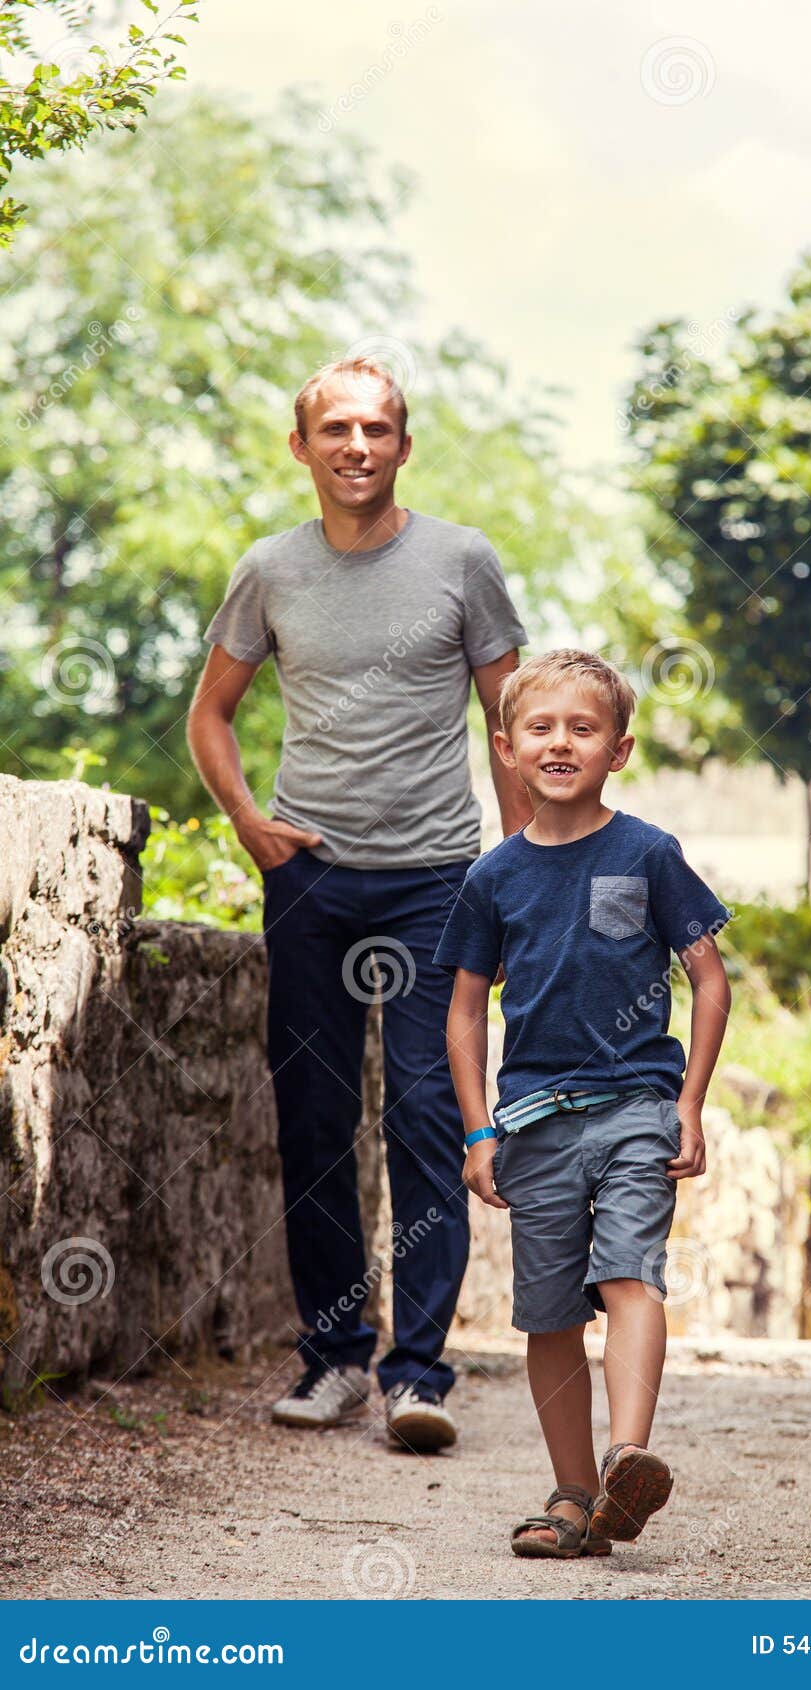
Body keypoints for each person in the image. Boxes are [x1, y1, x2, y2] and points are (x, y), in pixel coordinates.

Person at [186, 357, 532, 1451]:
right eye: (334, 429)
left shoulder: (460, 563)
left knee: (432, 1116)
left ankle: (417, 1375)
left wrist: (525, 873)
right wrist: (250, 824)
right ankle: (336, 1355)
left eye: (376, 428)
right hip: (312, 882)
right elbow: (211, 715)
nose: (356, 446)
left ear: (403, 445)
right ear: (301, 447)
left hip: (438, 880)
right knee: (314, 1122)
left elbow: (509, 723)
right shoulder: (269, 571)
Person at [434, 649, 732, 1554]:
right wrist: (478, 1129)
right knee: (551, 1313)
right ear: (508, 748)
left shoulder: (648, 854)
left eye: (583, 728)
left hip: (639, 1104)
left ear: (620, 750)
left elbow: (709, 981)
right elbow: (463, 1012)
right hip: (532, 1124)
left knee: (631, 1272)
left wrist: (688, 1104)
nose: (561, 742)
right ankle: (573, 1501)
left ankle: (626, 1460)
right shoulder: (493, 878)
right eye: (541, 728)